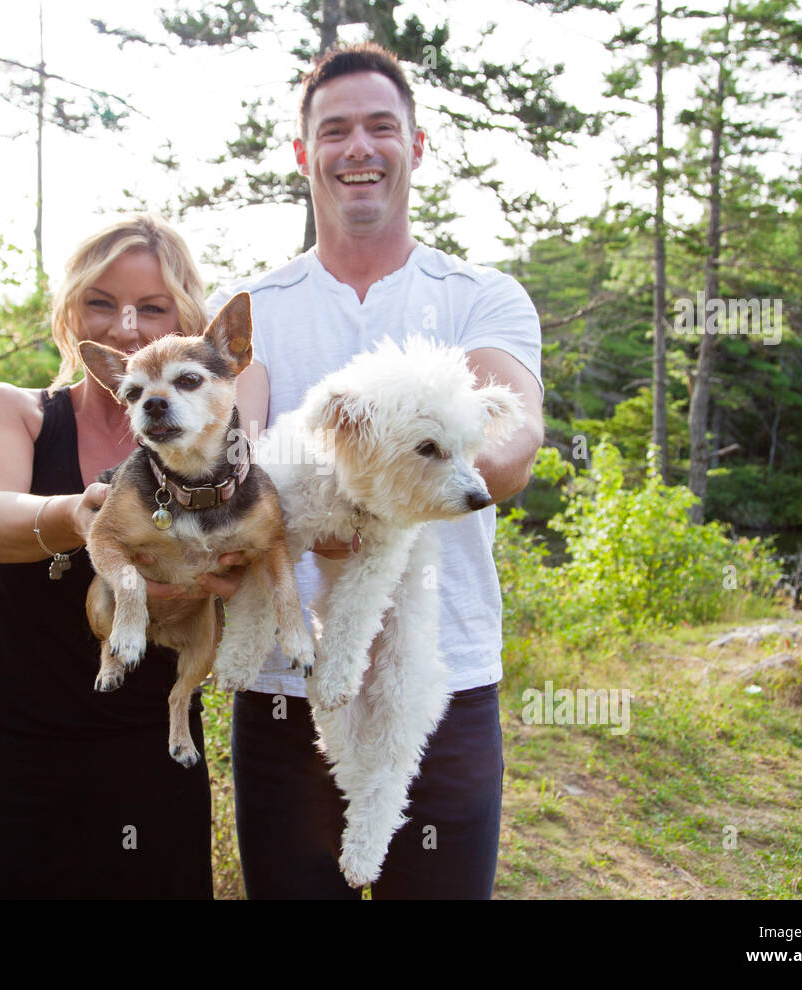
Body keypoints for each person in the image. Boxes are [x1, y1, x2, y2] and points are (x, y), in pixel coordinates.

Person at [207, 42, 545, 899]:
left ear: (417, 146)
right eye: (336, 129)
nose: (359, 147)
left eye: (381, 127)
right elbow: (236, 448)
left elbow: (512, 440)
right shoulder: (256, 307)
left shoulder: (481, 295)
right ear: (304, 154)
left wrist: (403, 499)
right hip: (287, 681)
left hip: (445, 670)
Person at [0, 214, 242, 899]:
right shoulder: (11, 412)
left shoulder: (211, 448)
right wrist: (78, 514)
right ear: (70, 309)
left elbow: (243, 553)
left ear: (187, 316)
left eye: (153, 307)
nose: (127, 328)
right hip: (10, 742)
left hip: (149, 745)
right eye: (101, 302)